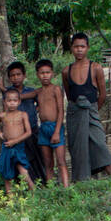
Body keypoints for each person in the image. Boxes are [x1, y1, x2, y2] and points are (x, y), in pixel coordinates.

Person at [61, 33, 111, 182]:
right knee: (78, 150)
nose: (79, 50)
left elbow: (102, 95)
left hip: (91, 112)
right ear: (71, 48)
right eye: (76, 46)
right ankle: (82, 186)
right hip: (75, 115)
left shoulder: (95, 68)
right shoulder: (66, 71)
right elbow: (69, 94)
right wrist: (79, 111)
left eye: (82, 46)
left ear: (87, 48)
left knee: (100, 145)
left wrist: (91, 110)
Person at [6, 62, 48, 183]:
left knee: (37, 156)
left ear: (24, 75)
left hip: (33, 130)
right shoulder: (8, 94)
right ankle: (25, 184)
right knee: (23, 158)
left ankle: (42, 181)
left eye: (18, 74)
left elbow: (40, 103)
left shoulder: (31, 91)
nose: (16, 77)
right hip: (18, 134)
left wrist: (34, 112)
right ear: (9, 78)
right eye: (13, 75)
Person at [0, 88, 37, 194]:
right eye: (9, 100)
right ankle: (10, 199)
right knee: (7, 172)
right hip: (7, 146)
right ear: (5, 102)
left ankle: (34, 193)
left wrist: (15, 141)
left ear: (19, 102)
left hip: (18, 146)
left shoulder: (22, 115)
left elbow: (28, 132)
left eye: (15, 100)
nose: (12, 103)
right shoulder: (2, 115)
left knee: (23, 171)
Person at [35, 59, 70, 188]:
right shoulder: (38, 92)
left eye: (47, 72)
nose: (45, 75)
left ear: (52, 74)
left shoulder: (56, 89)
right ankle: (51, 190)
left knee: (61, 161)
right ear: (37, 75)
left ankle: (66, 189)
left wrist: (56, 131)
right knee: (48, 163)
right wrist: (5, 90)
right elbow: (22, 96)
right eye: (42, 73)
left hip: (56, 127)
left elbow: (61, 111)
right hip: (43, 129)